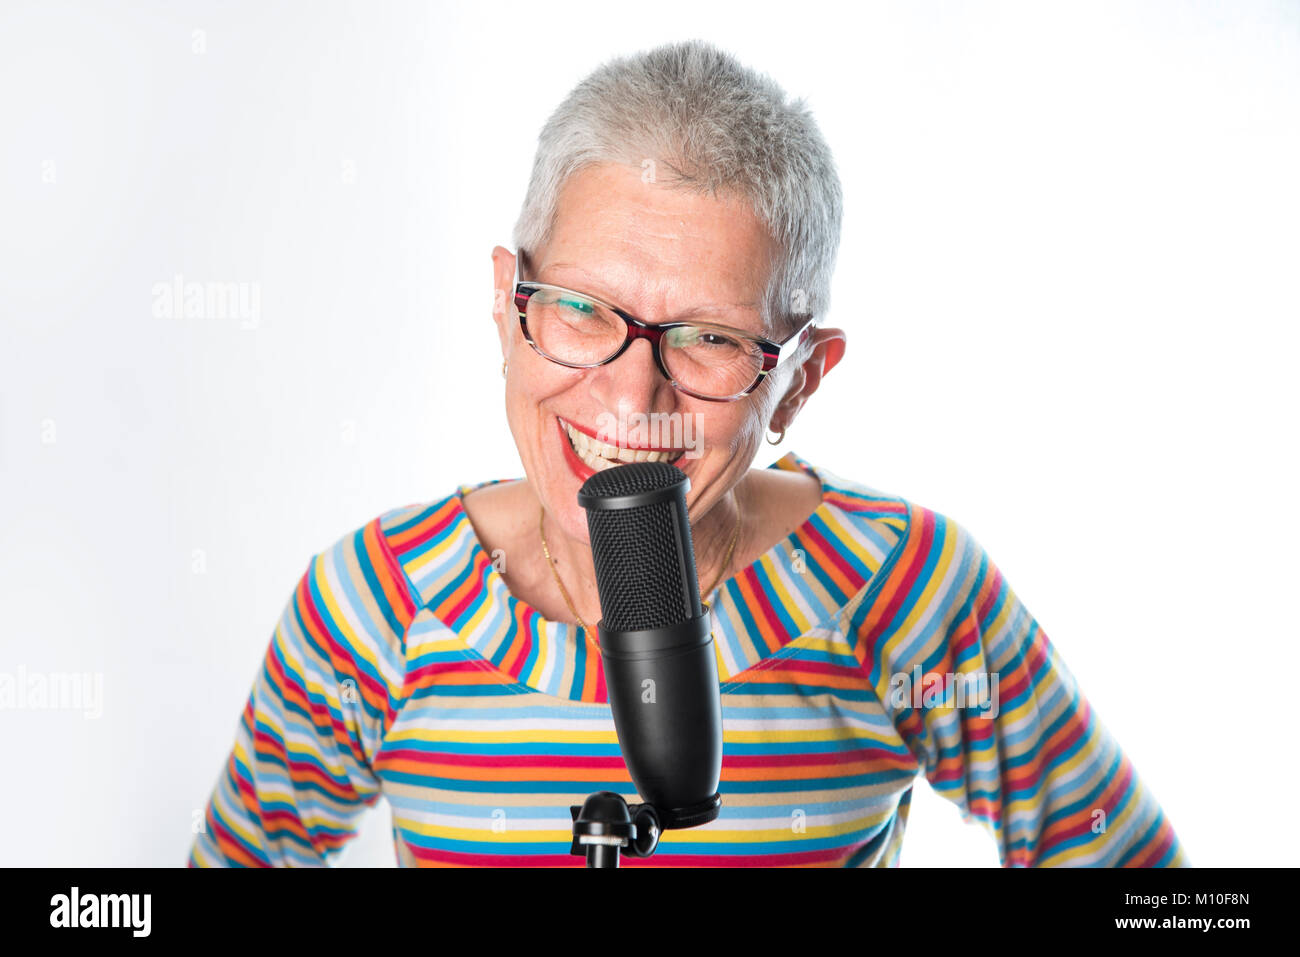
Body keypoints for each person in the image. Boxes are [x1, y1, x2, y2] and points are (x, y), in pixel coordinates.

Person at [189, 39, 1188, 867]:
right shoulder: (373, 600)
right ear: (507, 305)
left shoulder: (904, 589)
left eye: (709, 339)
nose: (631, 399)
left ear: (799, 379)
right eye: (581, 311)